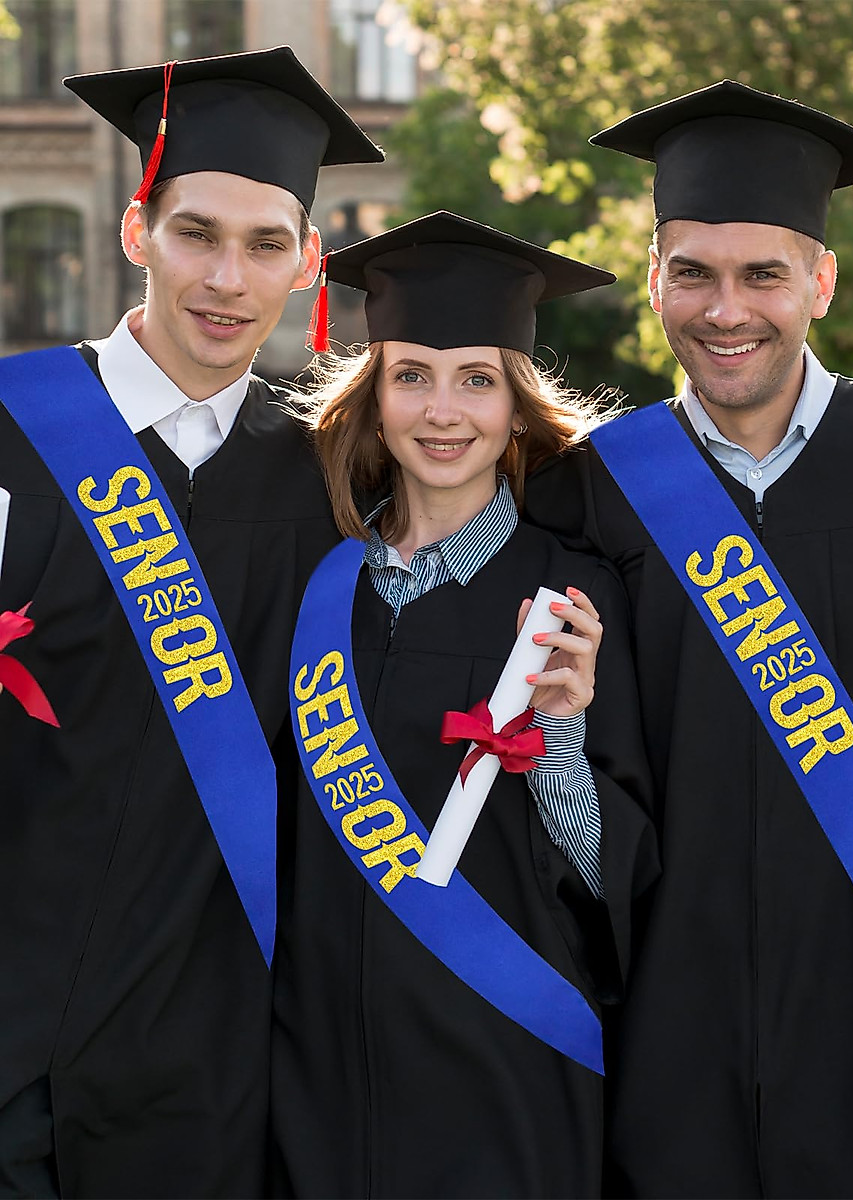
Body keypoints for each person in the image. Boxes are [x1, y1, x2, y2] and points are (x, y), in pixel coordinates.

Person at [523, 79, 853, 1198]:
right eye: (693, 272)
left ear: (821, 282)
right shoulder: (597, 488)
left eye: (763, 274)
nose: (726, 309)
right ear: (654, 281)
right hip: (665, 998)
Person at [0, 47, 382, 1197]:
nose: (227, 278)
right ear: (137, 233)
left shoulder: (328, 488)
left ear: (308, 262)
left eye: (266, 244)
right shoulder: (16, 433)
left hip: (203, 1056)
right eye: (196, 234)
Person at [270, 211, 658, 1199]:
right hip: (313, 1079)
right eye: (412, 377)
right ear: (375, 394)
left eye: (477, 379)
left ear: (518, 406)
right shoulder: (317, 591)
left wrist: (561, 742)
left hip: (505, 1068)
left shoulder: (573, 599)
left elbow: (620, 872)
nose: (443, 412)